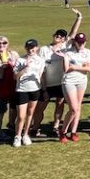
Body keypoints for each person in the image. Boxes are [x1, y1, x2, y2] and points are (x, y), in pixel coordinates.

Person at [33, 8, 83, 137]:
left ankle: (55, 127)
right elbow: (41, 70)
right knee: (40, 107)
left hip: (61, 83)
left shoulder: (64, 47)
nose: (58, 36)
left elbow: (73, 34)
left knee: (59, 105)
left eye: (61, 36)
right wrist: (43, 88)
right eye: (57, 34)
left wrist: (79, 18)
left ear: (63, 39)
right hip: (47, 84)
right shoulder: (44, 49)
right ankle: (35, 128)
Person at [11, 39, 45, 147]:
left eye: (33, 47)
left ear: (37, 48)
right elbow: (15, 76)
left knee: (30, 113)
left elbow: (40, 75)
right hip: (22, 90)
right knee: (21, 116)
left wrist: (39, 83)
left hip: (35, 90)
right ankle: (17, 136)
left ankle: (26, 135)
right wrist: (24, 68)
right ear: (26, 48)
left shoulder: (40, 60)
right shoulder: (20, 60)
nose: (31, 50)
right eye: (29, 47)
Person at [60, 32, 90, 142]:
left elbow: (89, 69)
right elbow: (66, 69)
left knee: (78, 107)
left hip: (81, 81)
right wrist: (81, 67)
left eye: (83, 43)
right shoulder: (68, 53)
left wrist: (74, 67)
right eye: (79, 43)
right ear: (75, 42)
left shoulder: (88, 52)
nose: (81, 45)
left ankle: (73, 131)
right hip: (69, 81)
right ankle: (63, 131)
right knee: (73, 108)